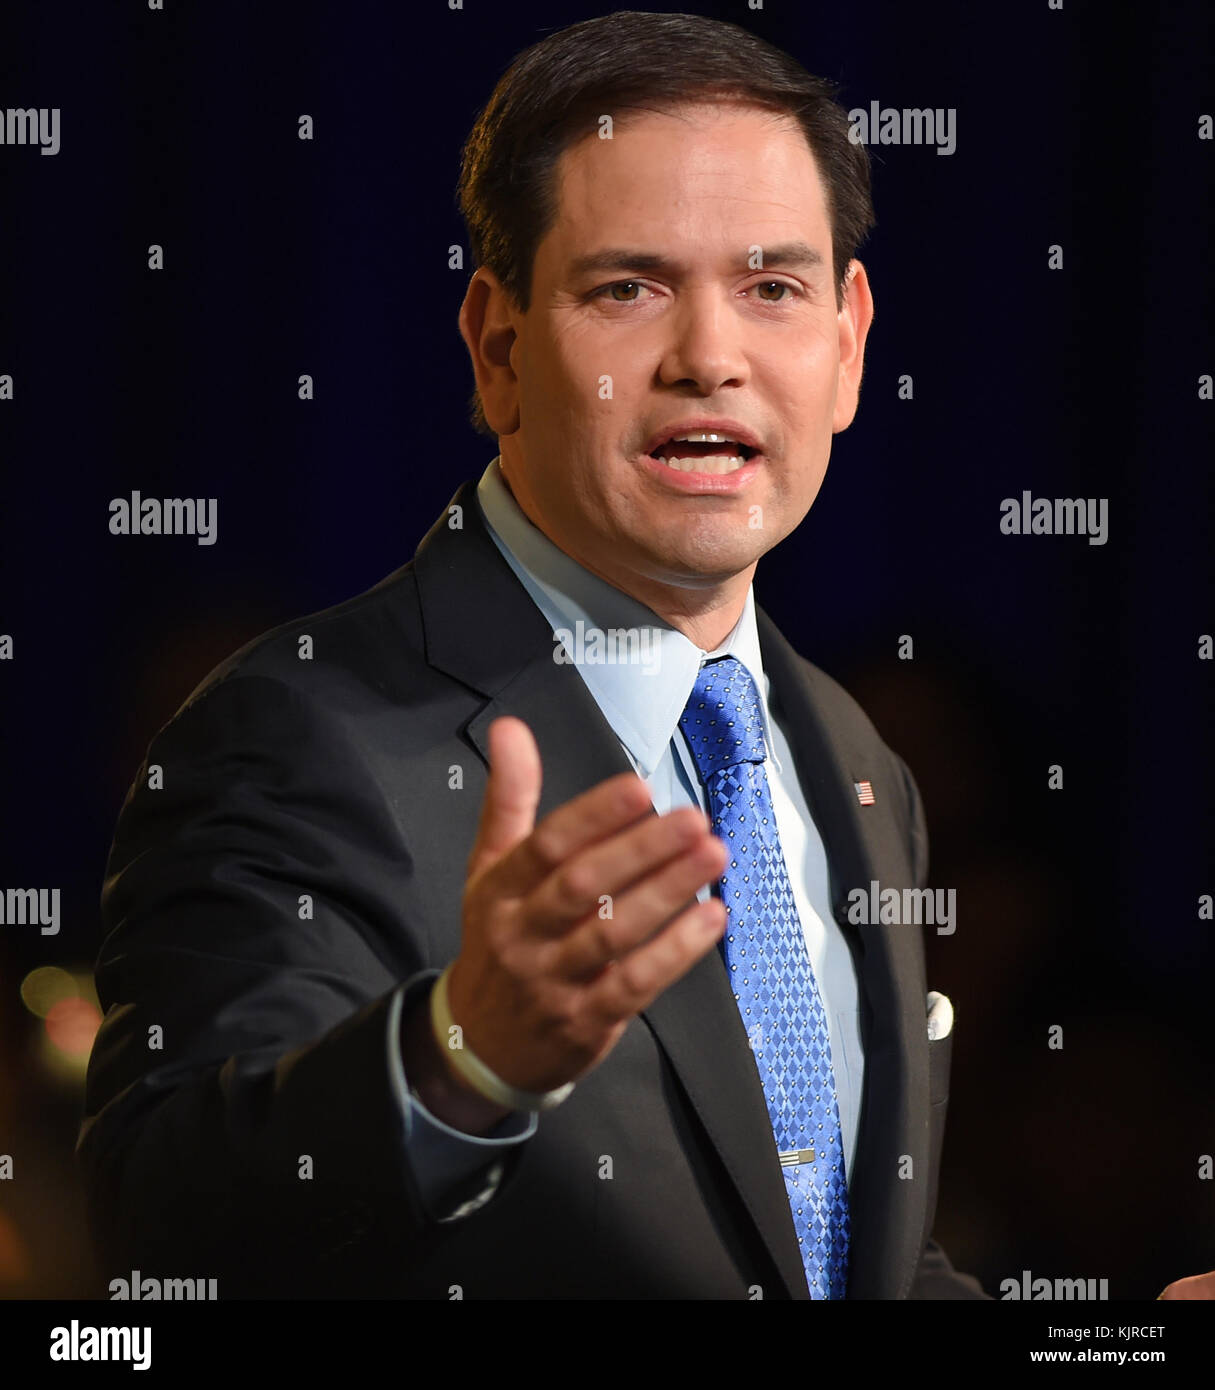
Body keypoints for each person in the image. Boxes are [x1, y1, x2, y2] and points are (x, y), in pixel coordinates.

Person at [75, 11, 1210, 1301]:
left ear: (846, 345)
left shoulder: (853, 759)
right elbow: (166, 1241)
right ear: (499, 349)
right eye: (630, 288)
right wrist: (463, 1058)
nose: (709, 358)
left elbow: (822, 1265)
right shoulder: (302, 731)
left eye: (772, 288)